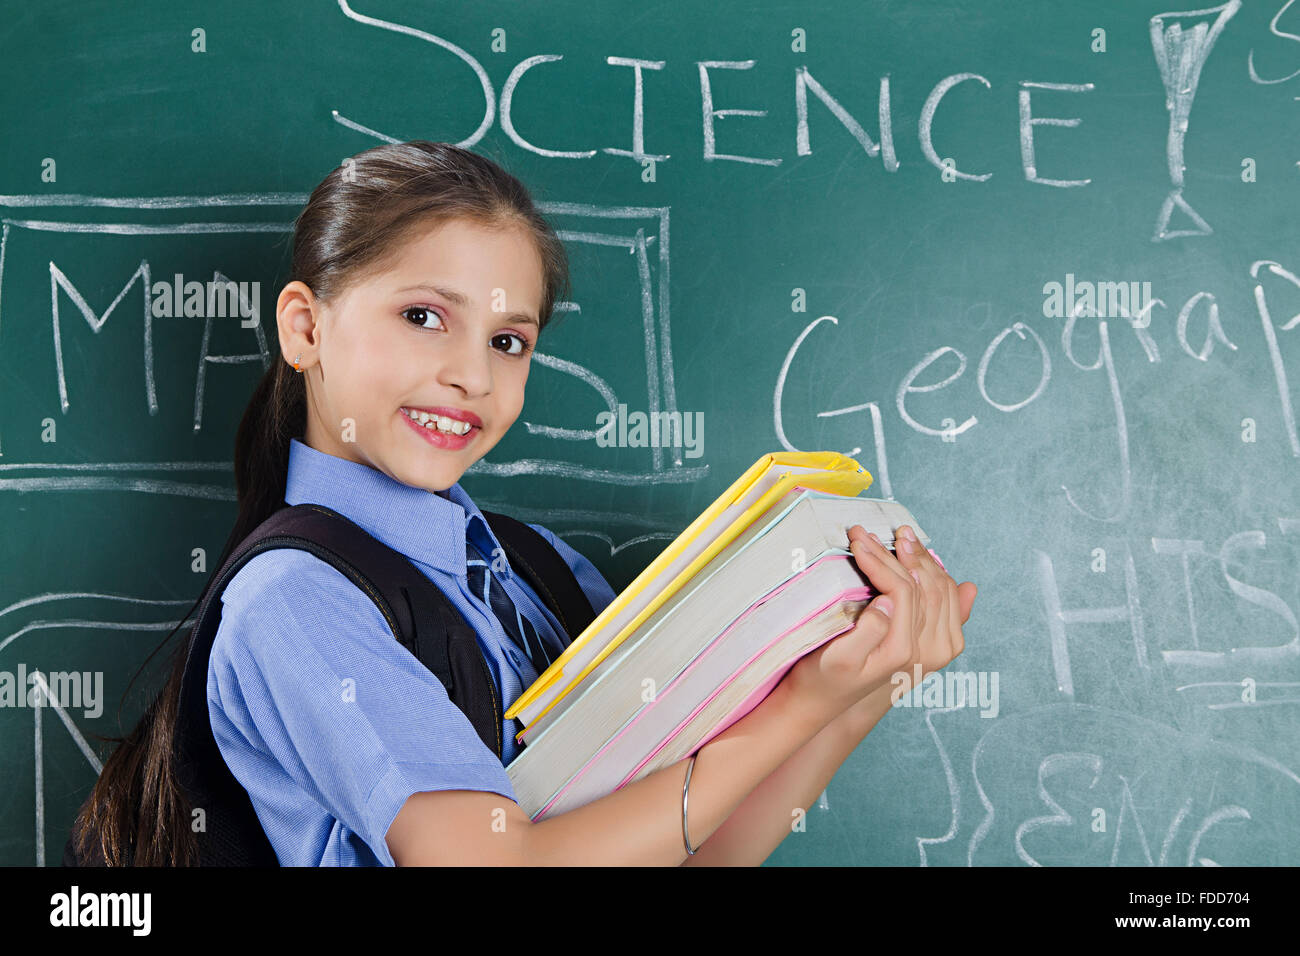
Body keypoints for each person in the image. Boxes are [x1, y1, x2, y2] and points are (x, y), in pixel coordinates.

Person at [70, 140, 977, 866]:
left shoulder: (543, 568)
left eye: (509, 339)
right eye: (424, 316)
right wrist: (792, 713)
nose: (470, 374)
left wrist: (851, 695)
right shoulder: (295, 603)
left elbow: (695, 853)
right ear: (305, 327)